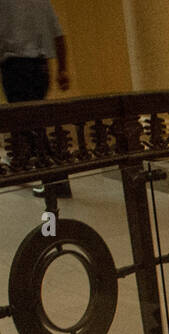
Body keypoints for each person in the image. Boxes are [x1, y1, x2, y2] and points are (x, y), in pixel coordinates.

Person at [0, 0, 72, 197]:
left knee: (27, 124)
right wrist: (62, 69)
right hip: (41, 68)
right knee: (34, 123)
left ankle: (55, 179)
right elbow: (58, 35)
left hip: (15, 67)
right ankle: (43, 173)